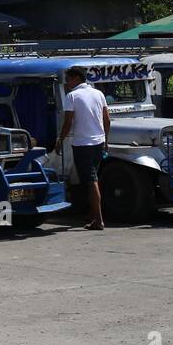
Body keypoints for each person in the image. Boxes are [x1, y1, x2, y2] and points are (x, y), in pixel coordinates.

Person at [55, 65, 110, 231]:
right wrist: (106, 140)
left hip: (82, 144)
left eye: (68, 79)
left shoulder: (72, 96)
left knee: (91, 181)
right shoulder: (98, 93)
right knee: (91, 180)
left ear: (77, 79)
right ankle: (92, 215)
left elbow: (68, 122)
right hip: (99, 143)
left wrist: (60, 140)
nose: (67, 83)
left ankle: (98, 220)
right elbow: (107, 119)